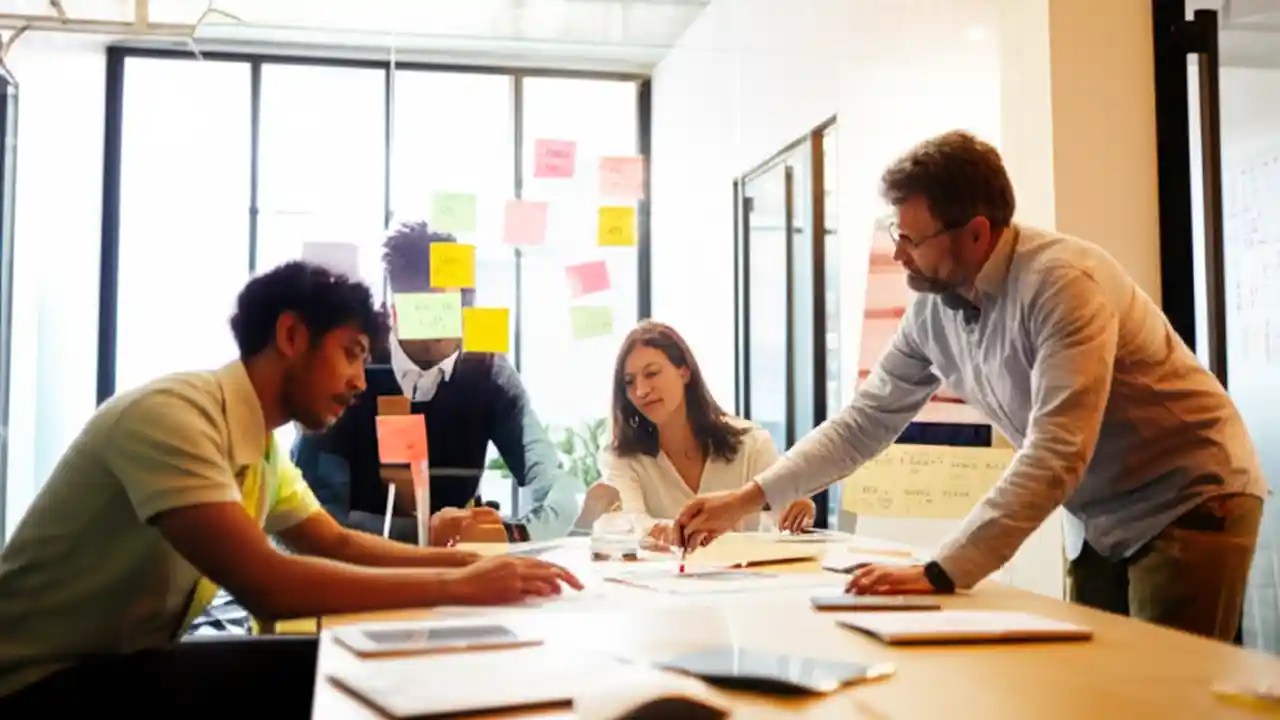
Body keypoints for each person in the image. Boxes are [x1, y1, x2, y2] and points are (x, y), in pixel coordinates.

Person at [674, 130, 1267, 642]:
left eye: (911, 239)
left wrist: (943, 568)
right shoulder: (933, 308)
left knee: (1162, 695)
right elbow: (864, 423)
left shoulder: (1064, 285)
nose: (898, 254)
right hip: (1097, 514)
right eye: (894, 234)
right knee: (1098, 686)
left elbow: (1057, 447)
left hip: (1187, 495)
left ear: (977, 234)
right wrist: (745, 500)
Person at [0, 261, 581, 714]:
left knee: (359, 675)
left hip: (122, 665)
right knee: (340, 685)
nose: (359, 381)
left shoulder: (262, 446)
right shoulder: (174, 416)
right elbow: (270, 585)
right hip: (40, 682)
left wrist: (467, 569)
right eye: (351, 354)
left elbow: (336, 543)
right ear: (291, 335)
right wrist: (461, 586)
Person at [293, 220, 579, 545]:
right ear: (394, 309)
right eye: (425, 305)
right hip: (357, 568)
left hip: (458, 569)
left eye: (455, 303)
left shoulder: (489, 373)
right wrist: (433, 535)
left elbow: (558, 488)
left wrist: (512, 532)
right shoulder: (354, 369)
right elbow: (316, 516)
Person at [603, 321, 815, 546]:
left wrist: (800, 510)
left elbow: (783, 508)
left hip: (744, 577)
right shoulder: (622, 456)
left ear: (684, 371)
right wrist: (659, 531)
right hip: (660, 579)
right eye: (629, 382)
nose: (641, 390)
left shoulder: (751, 443)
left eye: (652, 374)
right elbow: (627, 521)